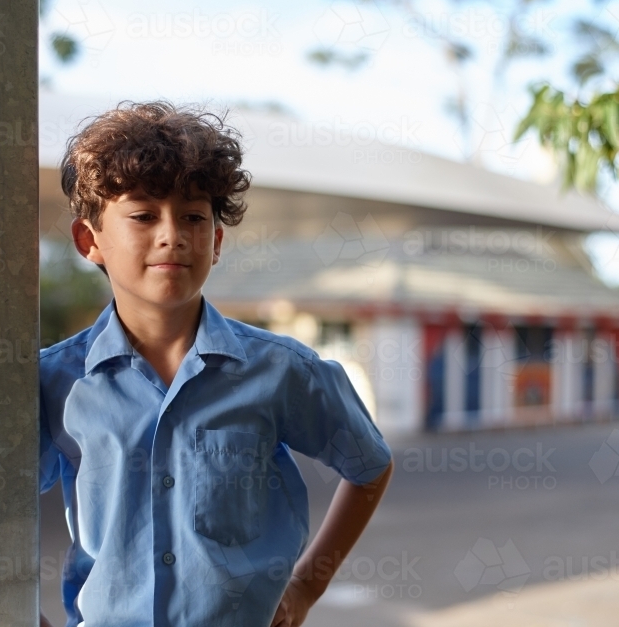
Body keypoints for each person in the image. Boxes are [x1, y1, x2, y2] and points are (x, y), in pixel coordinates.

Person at [38, 101, 394, 627]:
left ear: (217, 240)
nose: (172, 235)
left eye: (193, 216)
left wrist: (304, 587)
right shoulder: (55, 382)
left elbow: (370, 465)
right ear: (90, 241)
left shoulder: (279, 370)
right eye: (142, 215)